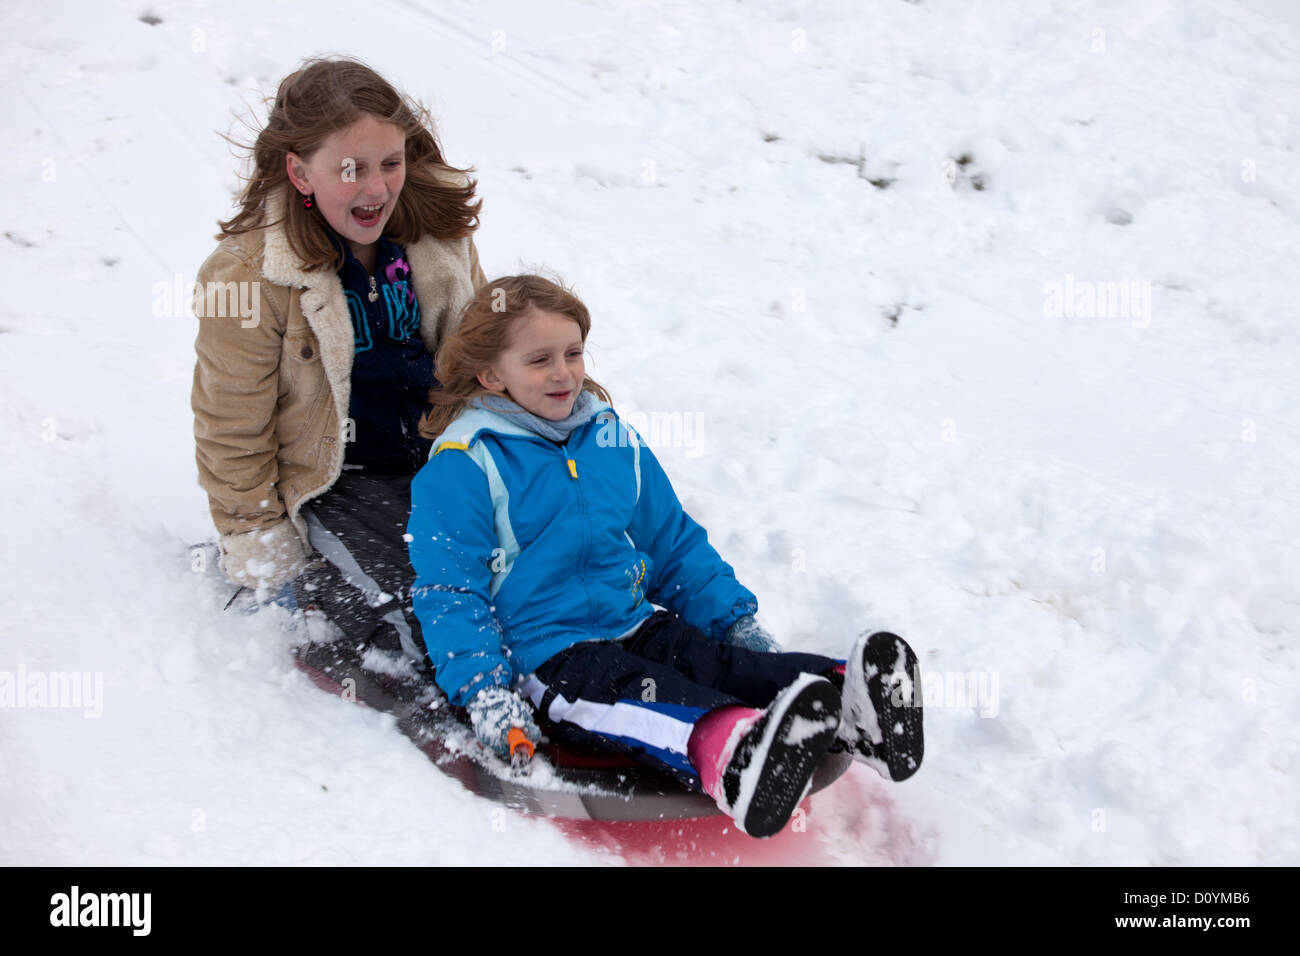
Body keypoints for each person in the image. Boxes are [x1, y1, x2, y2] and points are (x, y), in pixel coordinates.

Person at [406, 275, 924, 838]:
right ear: (490, 373)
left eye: (573, 353)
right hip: (551, 656)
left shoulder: (607, 438)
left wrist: (733, 620)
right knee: (644, 699)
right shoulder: (466, 462)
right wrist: (486, 690)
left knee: (718, 664)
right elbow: (449, 590)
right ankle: (736, 755)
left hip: (634, 622)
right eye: (539, 360)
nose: (563, 373)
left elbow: (671, 541)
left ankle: (854, 702)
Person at [191, 56, 486, 660]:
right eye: (350, 168)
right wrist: (259, 543)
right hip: (335, 487)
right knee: (423, 622)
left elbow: (485, 352)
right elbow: (230, 427)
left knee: (530, 581)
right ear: (300, 173)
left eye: (391, 163)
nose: (376, 187)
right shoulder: (247, 277)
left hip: (438, 467)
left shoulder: (436, 237)